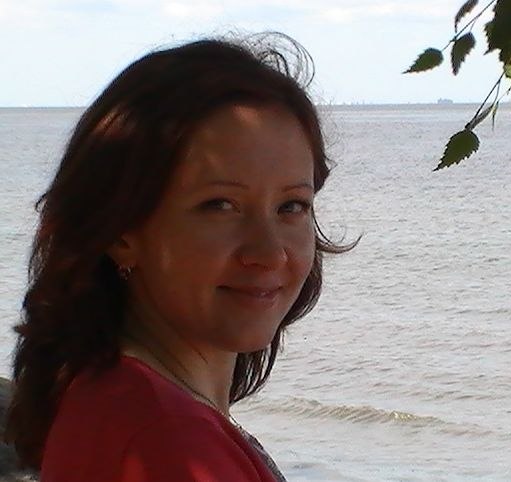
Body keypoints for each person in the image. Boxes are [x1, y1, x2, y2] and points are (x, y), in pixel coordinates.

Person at [4, 33, 351, 481]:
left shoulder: (118, 397)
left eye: (292, 206)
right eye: (220, 206)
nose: (269, 253)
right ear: (122, 229)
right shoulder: (166, 440)